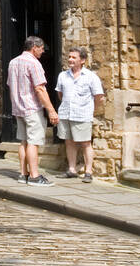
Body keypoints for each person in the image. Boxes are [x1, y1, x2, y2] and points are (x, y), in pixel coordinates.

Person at [6, 35, 58, 186]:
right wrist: (51, 110)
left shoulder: (13, 62)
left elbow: (10, 85)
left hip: (18, 108)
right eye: (41, 49)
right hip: (32, 108)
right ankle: (35, 176)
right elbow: (40, 89)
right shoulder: (34, 63)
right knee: (33, 143)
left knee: (24, 141)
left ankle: (23, 174)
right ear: (34, 47)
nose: (42, 52)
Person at [54, 47, 106, 182]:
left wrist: (89, 110)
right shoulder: (62, 76)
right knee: (69, 142)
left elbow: (99, 97)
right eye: (69, 57)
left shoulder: (91, 77)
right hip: (66, 114)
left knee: (85, 143)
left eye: (74, 57)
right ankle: (72, 170)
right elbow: (60, 94)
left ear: (82, 60)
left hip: (82, 115)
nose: (70, 60)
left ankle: (88, 172)